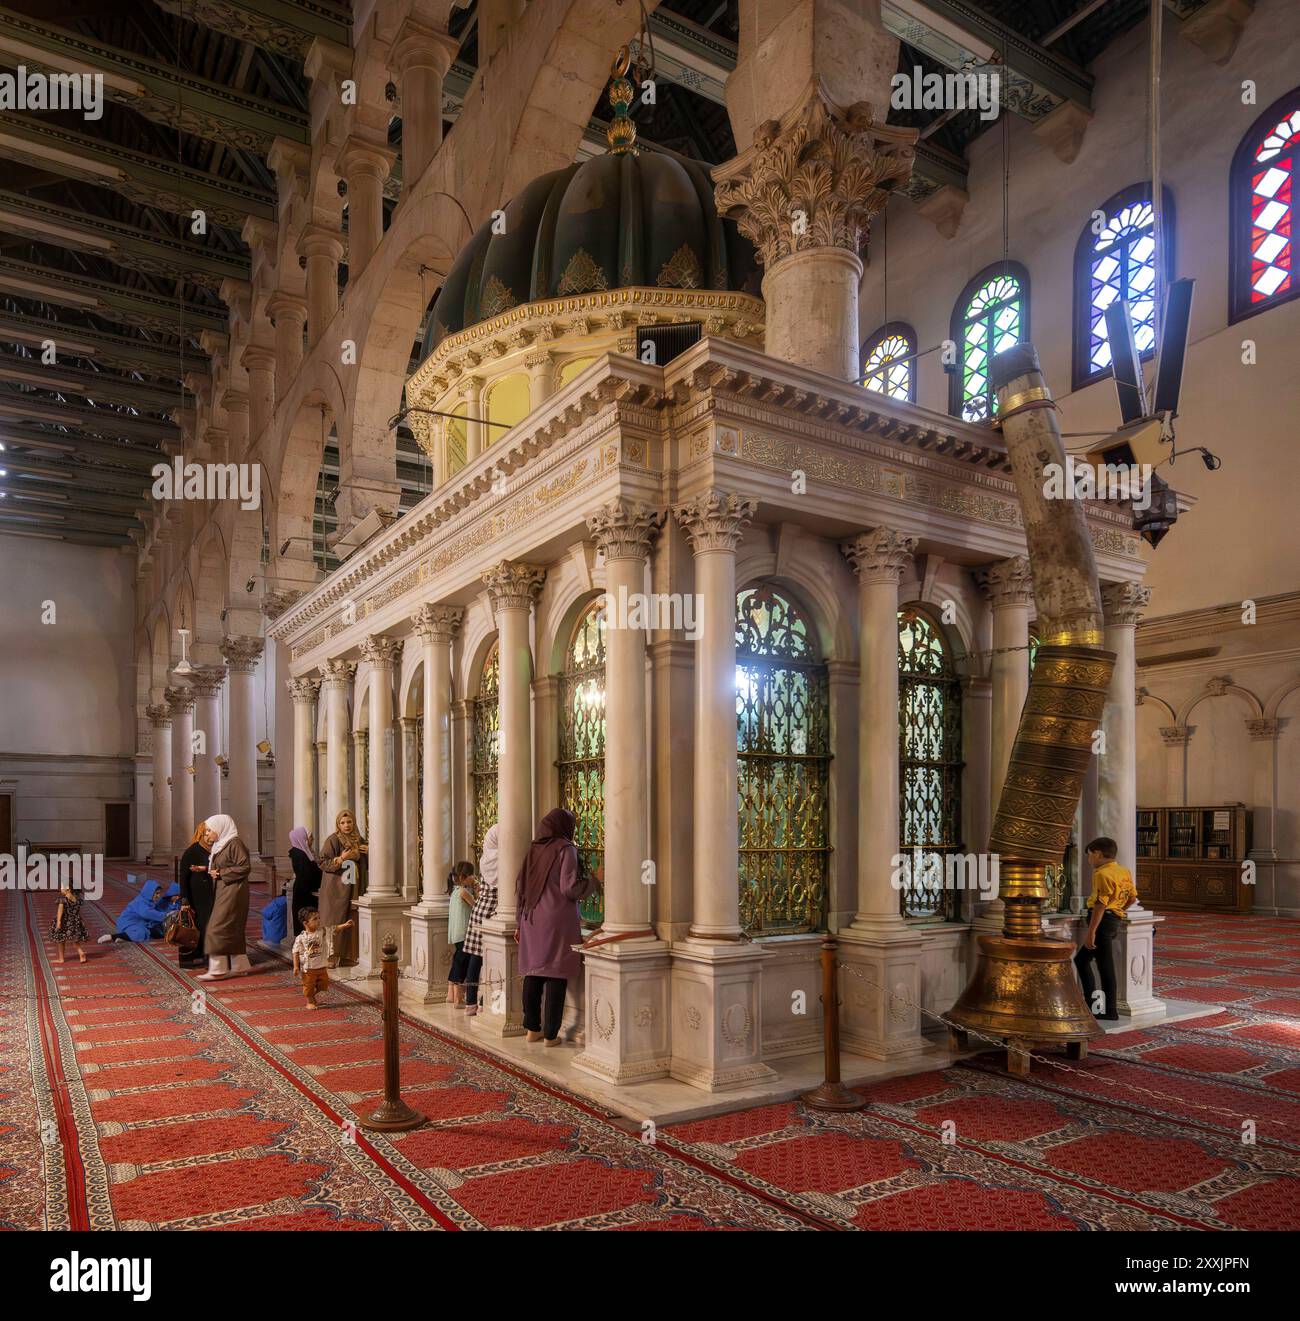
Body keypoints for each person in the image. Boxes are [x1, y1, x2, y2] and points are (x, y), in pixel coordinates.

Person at [516, 808, 592, 1046]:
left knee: (535, 973)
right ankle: (550, 1035)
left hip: (531, 918)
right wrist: (593, 881)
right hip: (557, 920)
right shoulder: (566, 849)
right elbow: (569, 888)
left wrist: (519, 921)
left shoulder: (533, 850)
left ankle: (532, 1030)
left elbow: (520, 886)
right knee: (556, 974)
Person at [1075, 835, 1138, 1021]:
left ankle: (1103, 1009)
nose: (1088, 859)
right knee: (1090, 962)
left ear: (1098, 854)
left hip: (1102, 922)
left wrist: (1091, 932)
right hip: (1113, 920)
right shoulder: (1123, 871)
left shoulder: (1102, 874)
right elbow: (1132, 898)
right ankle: (1100, 1007)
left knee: (1103, 967)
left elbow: (1100, 905)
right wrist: (1119, 911)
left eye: (1089, 855)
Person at [197, 813, 254, 981]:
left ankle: (217, 969)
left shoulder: (235, 843)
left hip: (233, 890)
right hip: (225, 889)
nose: (206, 834)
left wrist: (221, 873)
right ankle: (240, 966)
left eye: (209, 831)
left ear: (219, 828)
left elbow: (245, 867)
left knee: (216, 928)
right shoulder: (222, 845)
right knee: (232, 928)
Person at [319, 810, 367, 966]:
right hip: (336, 889)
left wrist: (370, 852)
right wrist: (340, 859)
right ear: (338, 825)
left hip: (354, 887)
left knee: (352, 919)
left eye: (349, 822)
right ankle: (331, 957)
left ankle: (349, 956)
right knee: (335, 919)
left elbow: (369, 864)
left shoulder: (359, 840)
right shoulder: (333, 840)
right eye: (343, 823)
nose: (346, 825)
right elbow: (322, 862)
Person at [461, 825, 498, 1018]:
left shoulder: (485, 860)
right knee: (490, 960)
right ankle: (482, 1002)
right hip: (493, 913)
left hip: (479, 912)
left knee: (476, 960)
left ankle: (471, 1003)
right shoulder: (502, 860)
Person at [291, 907, 354, 1009]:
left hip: (321, 966)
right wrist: (295, 966)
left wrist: (345, 925)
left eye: (319, 918)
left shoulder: (322, 932)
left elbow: (334, 929)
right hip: (309, 969)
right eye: (315, 919)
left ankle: (312, 996)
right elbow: (295, 951)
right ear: (305, 923)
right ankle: (310, 1000)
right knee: (309, 986)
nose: (318, 921)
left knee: (323, 984)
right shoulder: (301, 938)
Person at [177, 821, 214, 968]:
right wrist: (184, 899)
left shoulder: (214, 850)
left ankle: (207, 955)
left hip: (210, 894)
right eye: (208, 831)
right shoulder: (193, 851)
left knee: (207, 924)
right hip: (196, 895)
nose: (210, 835)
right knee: (196, 925)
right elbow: (183, 876)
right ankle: (190, 958)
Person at [446, 860, 476, 1005]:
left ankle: (451, 994)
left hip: (457, 933)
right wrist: (478, 890)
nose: (474, 877)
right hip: (464, 933)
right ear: (464, 876)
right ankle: (458, 997)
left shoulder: (455, 892)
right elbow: (476, 906)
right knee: (462, 963)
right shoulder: (463, 892)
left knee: (458, 961)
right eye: (472, 875)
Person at [288, 826, 322, 937]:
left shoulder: (304, 852)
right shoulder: (300, 855)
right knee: (306, 922)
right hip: (304, 893)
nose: (312, 839)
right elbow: (307, 875)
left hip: (305, 891)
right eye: (310, 837)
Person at [50, 883, 89, 963]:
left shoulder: (62, 900)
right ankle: (81, 952)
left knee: (60, 940)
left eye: (61, 887)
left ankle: (61, 959)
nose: (60, 889)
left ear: (68, 888)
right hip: (75, 921)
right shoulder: (77, 899)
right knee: (74, 940)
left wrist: (58, 923)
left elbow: (59, 913)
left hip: (64, 922)